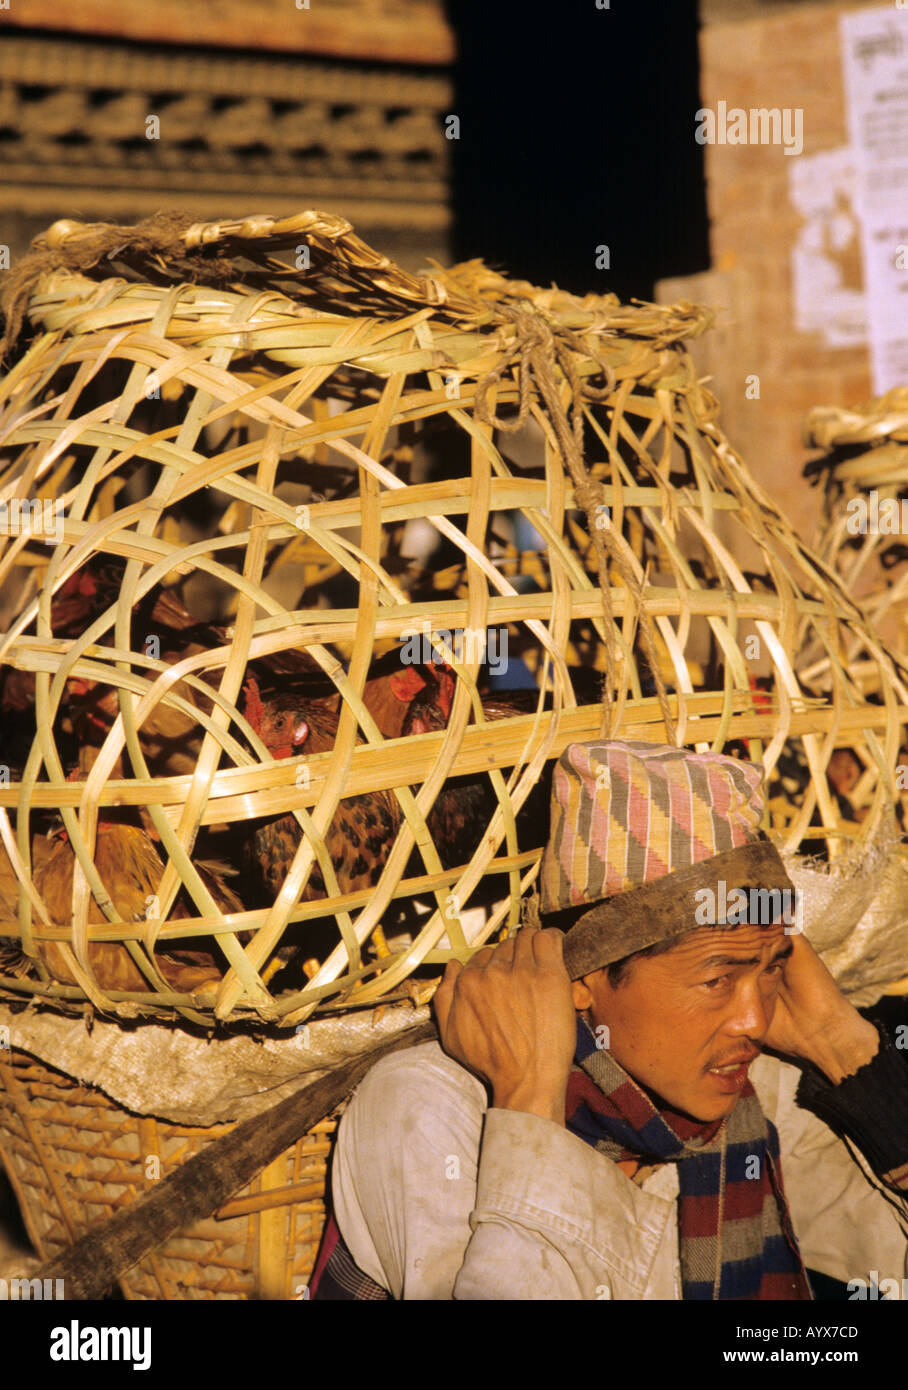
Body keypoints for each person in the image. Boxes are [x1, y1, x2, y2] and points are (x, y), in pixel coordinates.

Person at [311, 740, 908, 1300]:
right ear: (582, 978)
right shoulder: (432, 1108)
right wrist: (528, 1106)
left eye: (771, 969)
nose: (754, 1020)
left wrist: (844, 1044)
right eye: (717, 979)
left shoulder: (756, 1094)